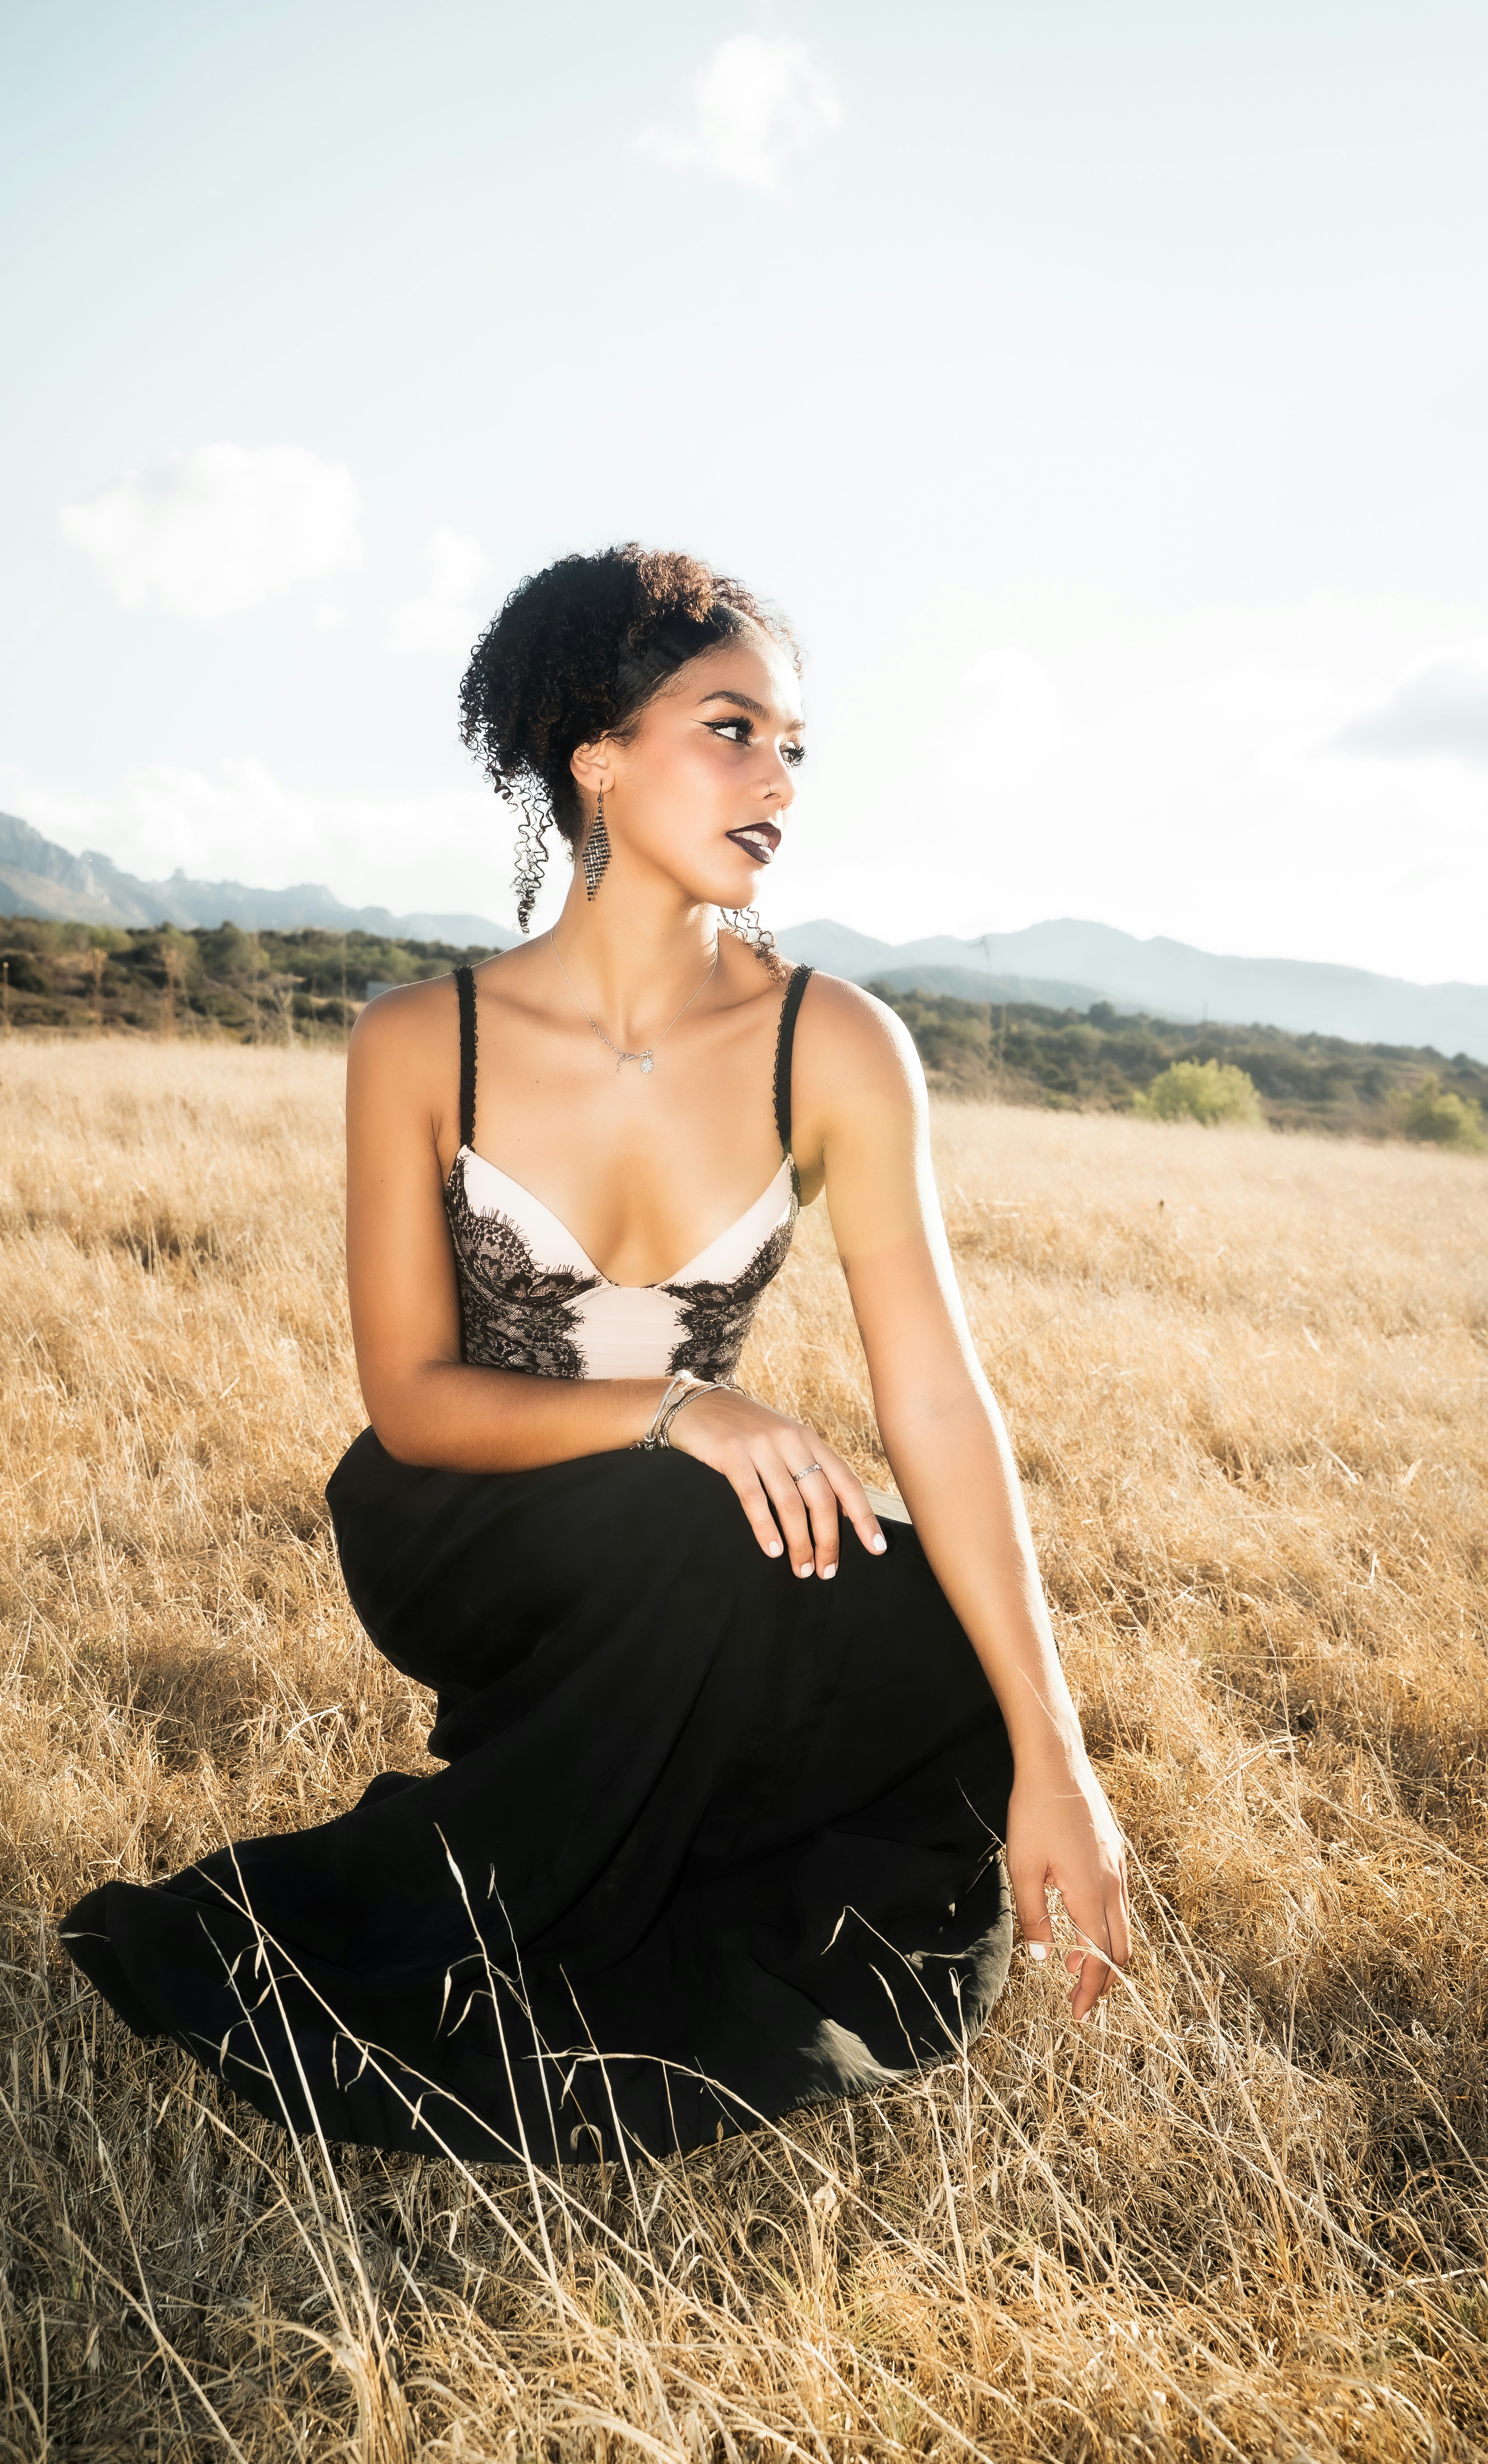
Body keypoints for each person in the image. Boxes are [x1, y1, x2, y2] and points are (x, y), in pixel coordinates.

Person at [61, 544, 1129, 2164]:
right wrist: (684, 1407)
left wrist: (1054, 1753)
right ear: (599, 754)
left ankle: (652, 1942)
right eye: (733, 728)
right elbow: (411, 1401)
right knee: (692, 1522)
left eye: (795, 747)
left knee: (932, 1639)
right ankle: (380, 1922)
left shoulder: (837, 1042)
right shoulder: (423, 1039)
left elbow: (934, 1394)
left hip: (682, 1566)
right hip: (457, 1517)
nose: (779, 777)